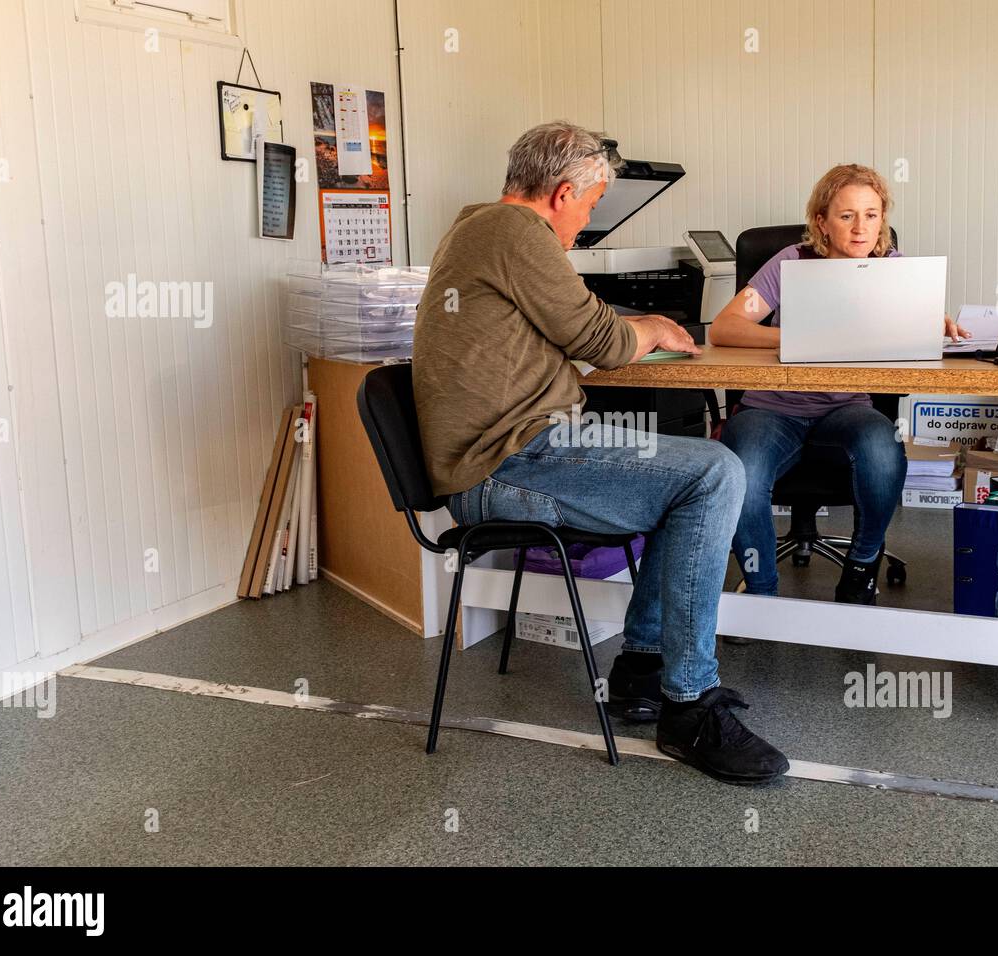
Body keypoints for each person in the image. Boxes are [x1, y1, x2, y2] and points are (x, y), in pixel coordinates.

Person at [412, 121, 788, 785]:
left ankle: (642, 667)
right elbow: (602, 341)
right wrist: (650, 326)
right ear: (561, 194)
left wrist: (626, 325)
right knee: (718, 470)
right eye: (588, 207)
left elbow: (579, 321)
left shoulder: (482, 228)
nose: (586, 224)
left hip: (526, 446)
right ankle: (690, 705)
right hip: (507, 463)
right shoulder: (514, 233)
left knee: (691, 478)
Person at [710, 164, 969, 603]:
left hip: (847, 408)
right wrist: (800, 338)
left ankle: (862, 565)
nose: (860, 227)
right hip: (772, 408)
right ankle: (761, 589)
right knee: (743, 473)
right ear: (822, 222)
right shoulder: (790, 262)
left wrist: (931, 323)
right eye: (846, 215)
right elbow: (725, 328)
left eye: (871, 214)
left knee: (882, 449)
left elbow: (914, 332)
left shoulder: (893, 270)